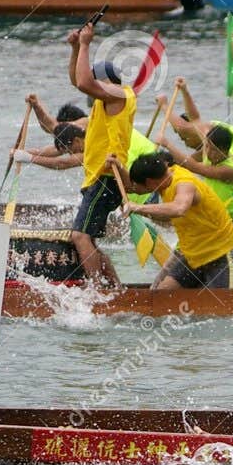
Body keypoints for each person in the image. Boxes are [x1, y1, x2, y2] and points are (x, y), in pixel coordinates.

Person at [68, 24, 138, 285]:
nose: (90, 84)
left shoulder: (120, 95)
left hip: (107, 176)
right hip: (98, 176)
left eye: (95, 78)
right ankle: (115, 288)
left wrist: (86, 44)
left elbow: (84, 82)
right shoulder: (105, 97)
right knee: (88, 239)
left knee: (80, 236)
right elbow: (79, 81)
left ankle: (97, 291)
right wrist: (76, 48)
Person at [122, 151, 233, 291]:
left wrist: (139, 207)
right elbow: (168, 216)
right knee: (159, 295)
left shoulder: (184, 183)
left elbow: (179, 209)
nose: (135, 191)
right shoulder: (163, 179)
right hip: (193, 254)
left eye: (139, 186)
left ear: (149, 182)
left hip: (223, 252)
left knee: (225, 307)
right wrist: (118, 166)